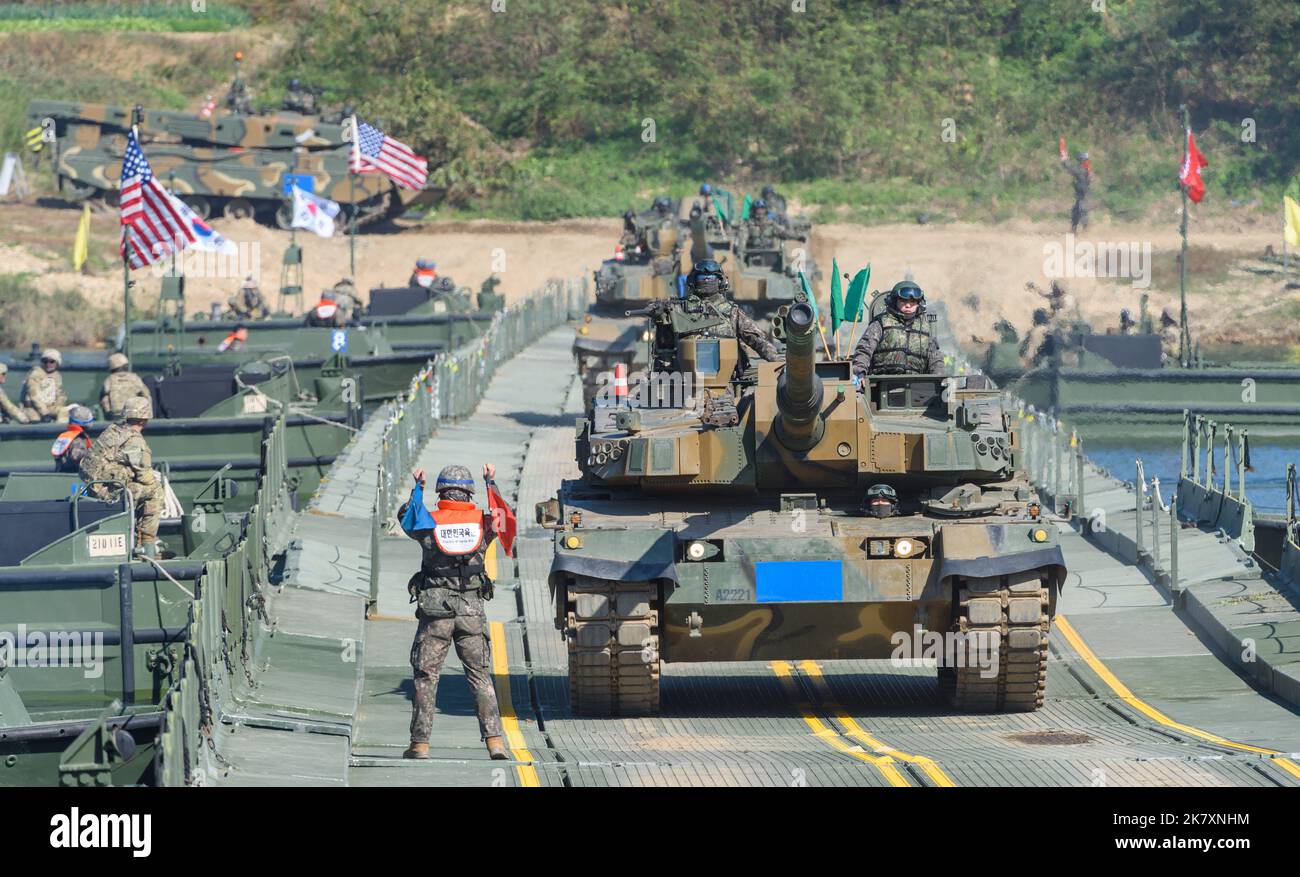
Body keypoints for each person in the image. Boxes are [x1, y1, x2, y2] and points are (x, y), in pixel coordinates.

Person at [399, 463, 510, 762]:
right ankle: (495, 742)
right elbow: (503, 518)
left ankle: (420, 745)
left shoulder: (429, 523)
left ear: (442, 492)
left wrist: (418, 488)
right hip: (472, 610)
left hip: (435, 612)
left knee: (426, 677)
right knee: (479, 676)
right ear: (469, 493)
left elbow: (406, 518)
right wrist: (492, 484)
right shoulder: (482, 524)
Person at [79, 397, 162, 554]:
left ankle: (139, 540)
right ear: (144, 419)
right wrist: (153, 483)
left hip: (94, 488)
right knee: (155, 492)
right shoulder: (134, 440)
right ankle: (147, 547)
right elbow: (144, 474)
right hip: (108, 492)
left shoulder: (113, 430)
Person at [682, 260, 781, 362]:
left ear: (721, 282)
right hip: (688, 371)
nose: (707, 281)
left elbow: (758, 340)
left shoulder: (731, 311)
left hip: (728, 372)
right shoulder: (681, 309)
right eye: (702, 278)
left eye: (711, 278)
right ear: (693, 281)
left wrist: (777, 361)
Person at [850, 280, 945, 380]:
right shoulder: (881, 323)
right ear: (894, 302)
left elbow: (935, 358)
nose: (908, 305)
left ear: (919, 304)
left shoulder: (925, 327)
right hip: (882, 384)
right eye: (903, 301)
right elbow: (864, 350)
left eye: (912, 302)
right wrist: (859, 374)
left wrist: (939, 381)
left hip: (917, 385)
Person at [22, 348, 70, 423]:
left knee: (63, 412)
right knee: (35, 420)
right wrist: (45, 413)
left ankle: (58, 431)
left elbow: (59, 393)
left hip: (49, 407)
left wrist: (60, 403)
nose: (48, 364)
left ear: (57, 363)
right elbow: (33, 396)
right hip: (32, 408)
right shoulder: (35, 374)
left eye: (52, 361)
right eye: (45, 361)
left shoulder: (57, 376)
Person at [100, 353, 150, 420]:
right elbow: (146, 394)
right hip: (134, 414)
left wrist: (108, 412)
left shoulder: (109, 380)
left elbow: (104, 398)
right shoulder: (135, 378)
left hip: (116, 415)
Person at [52, 406, 94, 474]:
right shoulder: (78, 439)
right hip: (73, 474)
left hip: (61, 472)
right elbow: (75, 456)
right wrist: (91, 455)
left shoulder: (66, 436)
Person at [1061, 150, 1092, 234]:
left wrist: (1065, 160)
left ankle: (1085, 231)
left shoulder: (1083, 170)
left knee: (1082, 211)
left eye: (1080, 160)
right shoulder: (1086, 169)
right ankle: (1074, 230)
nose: (1079, 162)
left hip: (1083, 195)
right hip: (1081, 195)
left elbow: (1072, 169)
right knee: (1076, 212)